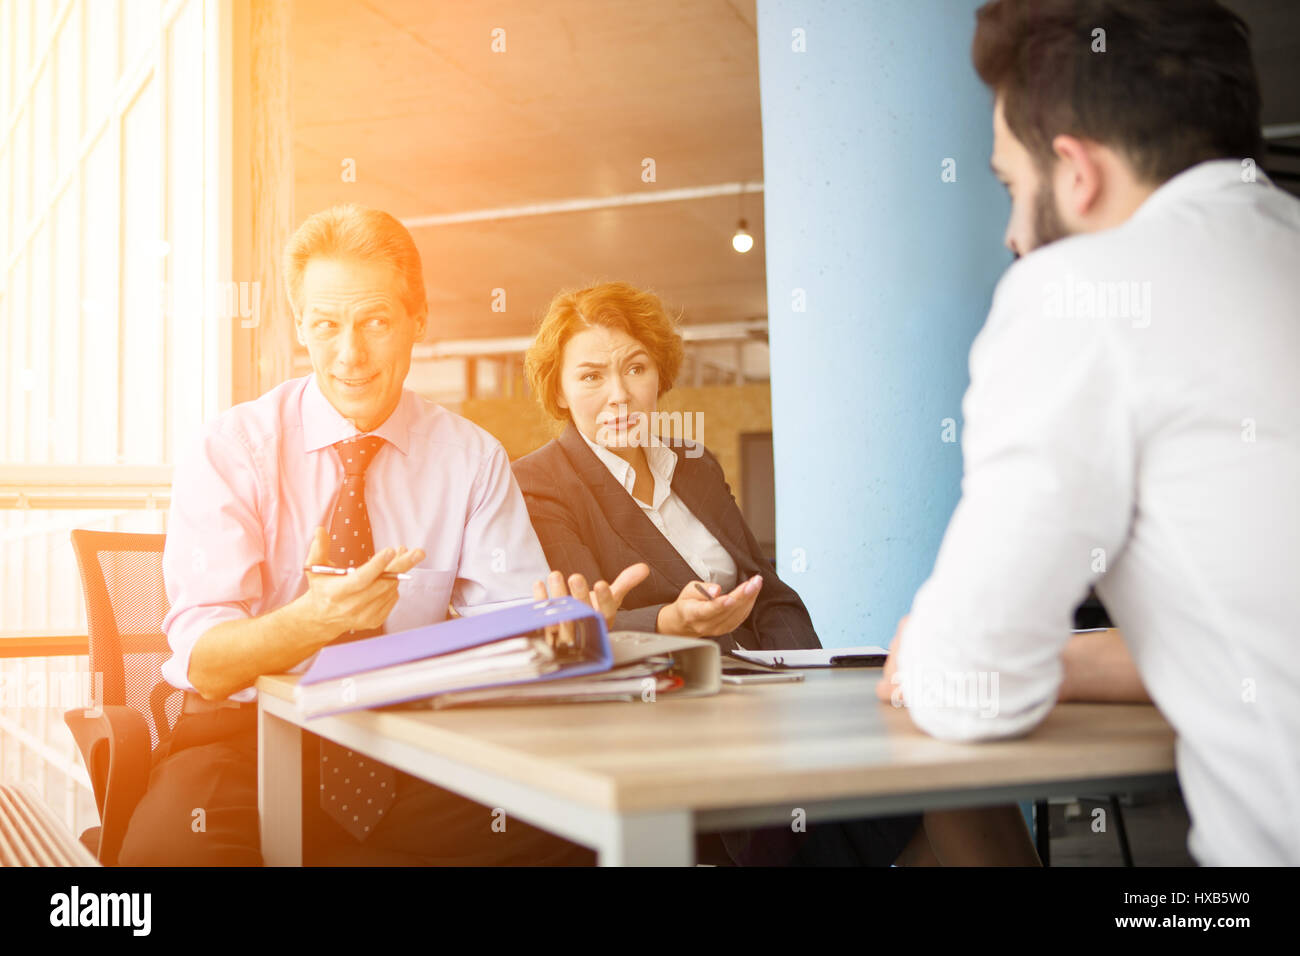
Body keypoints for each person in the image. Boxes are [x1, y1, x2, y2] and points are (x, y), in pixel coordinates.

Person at [876, 0, 1300, 865]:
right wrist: (1072, 660)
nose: (1012, 232)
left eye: (1009, 187)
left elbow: (963, 687)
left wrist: (965, 651)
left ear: (1076, 172)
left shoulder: (1083, 292)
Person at [118, 204, 644, 866]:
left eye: (374, 322)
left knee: (577, 832)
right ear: (300, 329)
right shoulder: (233, 447)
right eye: (326, 325)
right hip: (238, 739)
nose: (350, 355)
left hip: (404, 742)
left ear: (418, 320)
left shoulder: (470, 457)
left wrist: (564, 636)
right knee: (170, 856)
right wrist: (310, 621)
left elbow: (511, 639)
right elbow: (206, 664)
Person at [513, 280, 1039, 865]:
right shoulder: (541, 481)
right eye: (590, 376)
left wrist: (804, 684)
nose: (619, 395)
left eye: (635, 368)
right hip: (679, 728)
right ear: (558, 391)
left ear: (659, 374)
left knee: (952, 763)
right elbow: (590, 622)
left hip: (776, 705)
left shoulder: (694, 465)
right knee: (888, 800)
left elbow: (773, 596)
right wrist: (675, 621)